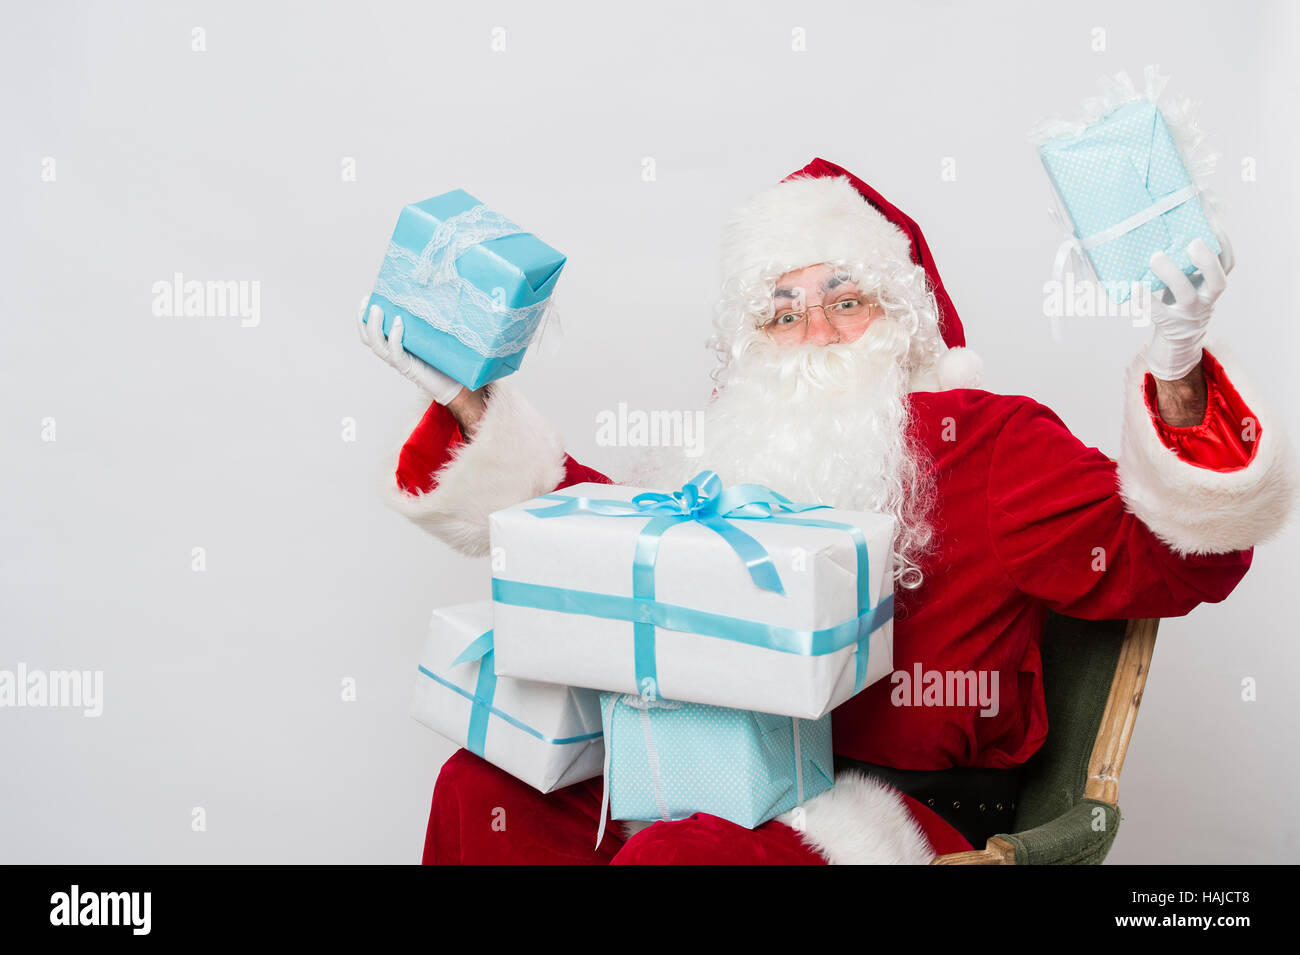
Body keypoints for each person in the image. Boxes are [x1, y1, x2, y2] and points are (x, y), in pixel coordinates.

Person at [363, 158, 1297, 864]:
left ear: (904, 320)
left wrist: (1178, 375)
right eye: (779, 312)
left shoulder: (989, 439)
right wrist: (473, 409)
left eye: (846, 300)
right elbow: (623, 549)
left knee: (683, 858)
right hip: (710, 769)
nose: (812, 331)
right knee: (485, 794)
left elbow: (1176, 557)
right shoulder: (742, 445)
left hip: (884, 810)